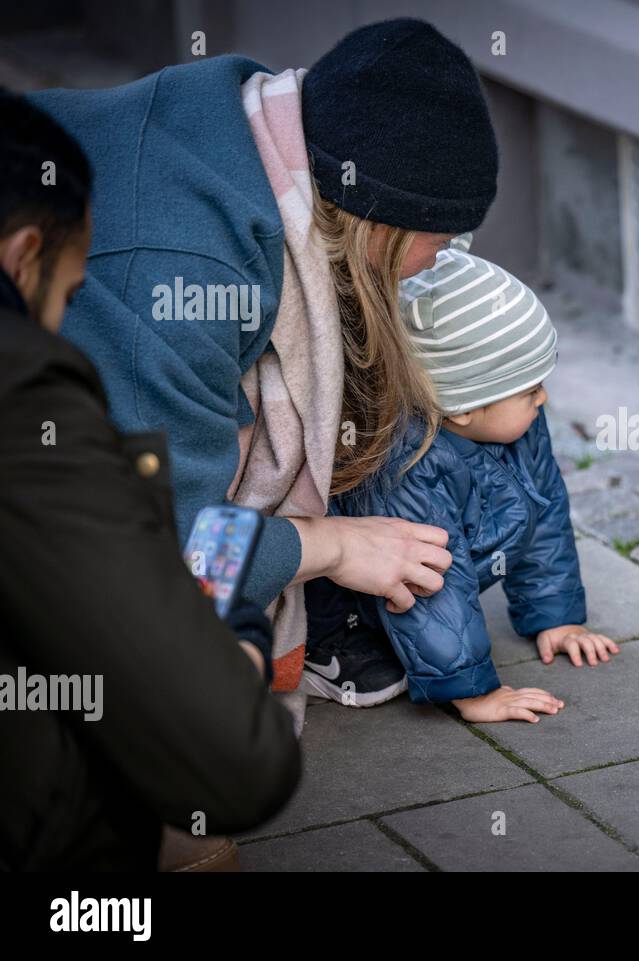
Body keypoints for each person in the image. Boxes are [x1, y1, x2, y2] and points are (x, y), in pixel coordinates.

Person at [25, 17, 499, 708]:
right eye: (446, 239)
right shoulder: (179, 284)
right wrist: (333, 547)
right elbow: (161, 558)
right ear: (380, 225)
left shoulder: (247, 129)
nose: (443, 259)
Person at [0, 89, 299, 870]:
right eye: (68, 297)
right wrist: (233, 644)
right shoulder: (24, 393)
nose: (64, 327)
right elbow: (231, 760)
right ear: (22, 256)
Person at [305, 244, 619, 721]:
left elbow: (546, 515)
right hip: (351, 598)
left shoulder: (519, 425)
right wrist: (474, 693)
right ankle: (321, 646)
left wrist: (557, 619)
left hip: (423, 580)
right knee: (406, 589)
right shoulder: (406, 467)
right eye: (531, 389)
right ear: (463, 408)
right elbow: (431, 583)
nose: (544, 398)